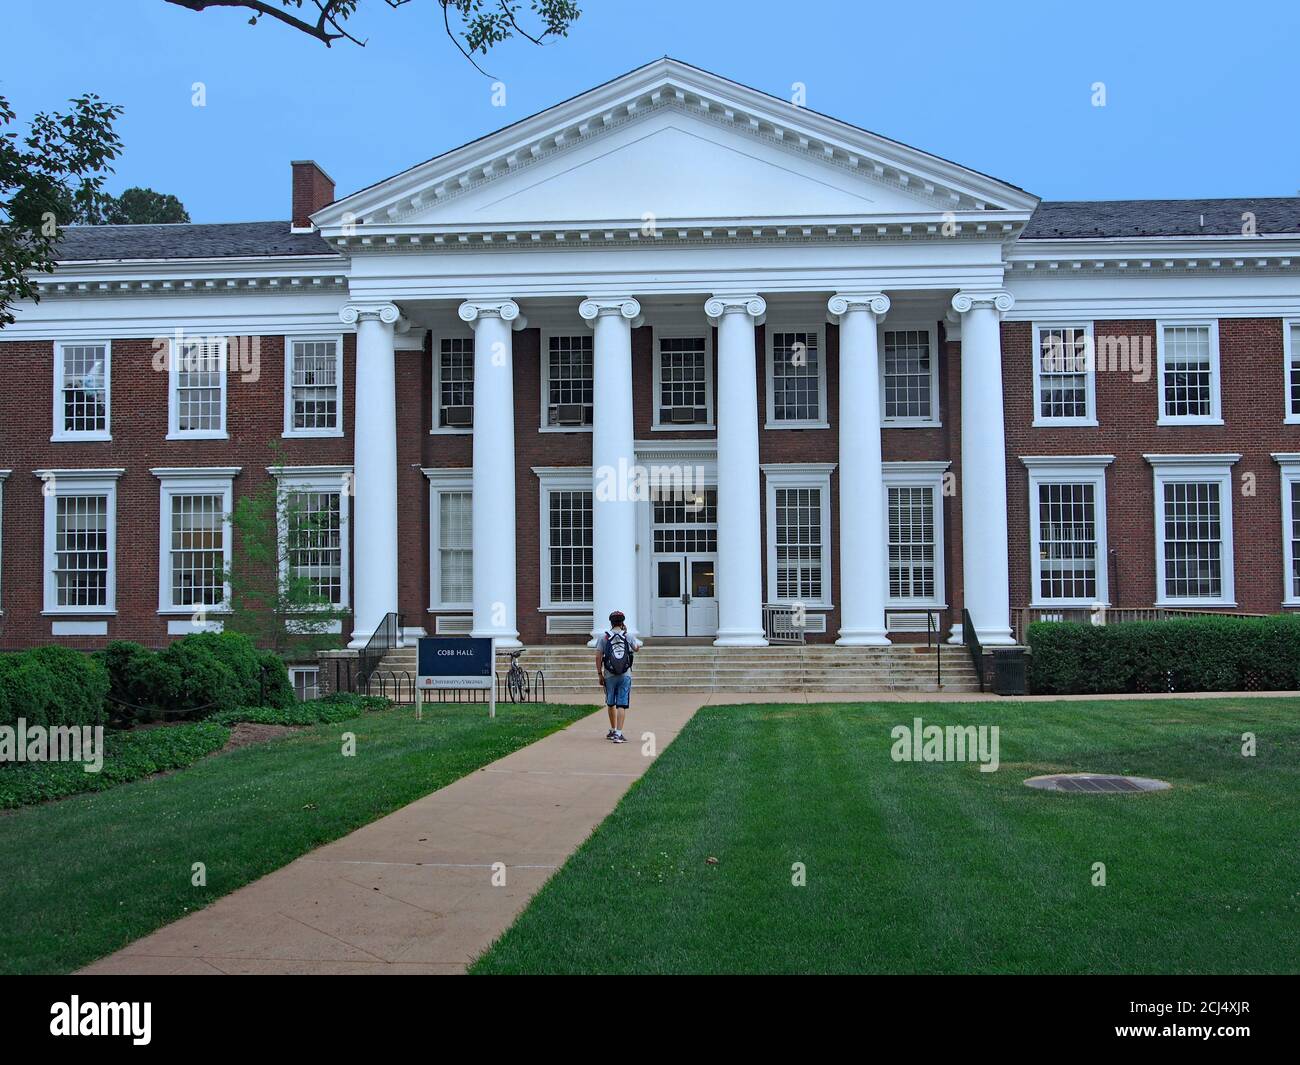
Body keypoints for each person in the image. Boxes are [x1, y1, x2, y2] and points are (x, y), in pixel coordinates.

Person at [596, 610, 641, 743]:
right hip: (625, 674)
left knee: (611, 703)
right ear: (622, 622)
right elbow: (637, 648)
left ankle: (613, 729)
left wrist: (600, 674)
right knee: (622, 704)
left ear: (611, 622)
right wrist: (625, 632)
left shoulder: (603, 637)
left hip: (609, 675)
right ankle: (619, 734)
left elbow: (598, 656)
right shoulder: (628, 636)